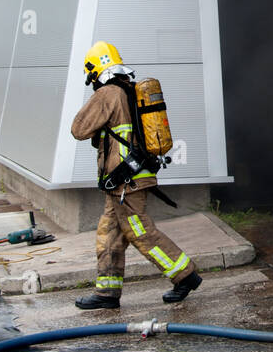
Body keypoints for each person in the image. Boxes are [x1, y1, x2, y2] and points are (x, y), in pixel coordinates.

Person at [70, 40, 202, 310]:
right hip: (125, 180)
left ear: (97, 71)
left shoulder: (107, 94)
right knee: (109, 235)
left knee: (140, 232)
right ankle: (107, 293)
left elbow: (79, 129)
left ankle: (185, 275)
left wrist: (95, 100)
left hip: (127, 181)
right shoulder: (128, 89)